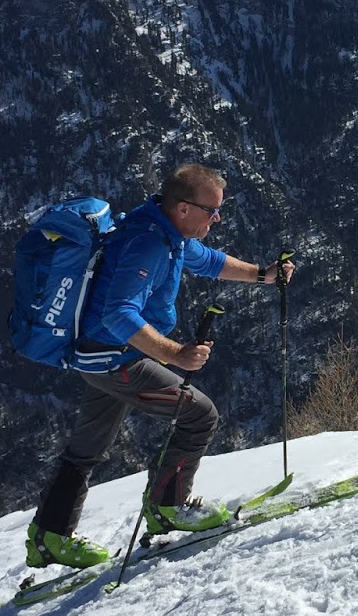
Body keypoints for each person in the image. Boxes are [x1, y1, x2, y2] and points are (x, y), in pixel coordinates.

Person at [25, 163, 296, 568]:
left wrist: (262, 275)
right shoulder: (147, 244)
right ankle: (168, 507)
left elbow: (208, 260)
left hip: (98, 357)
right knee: (199, 415)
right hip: (116, 360)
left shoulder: (165, 231)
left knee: (85, 451)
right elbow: (119, 314)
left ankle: (50, 537)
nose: (217, 218)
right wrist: (175, 354)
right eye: (212, 210)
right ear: (184, 208)